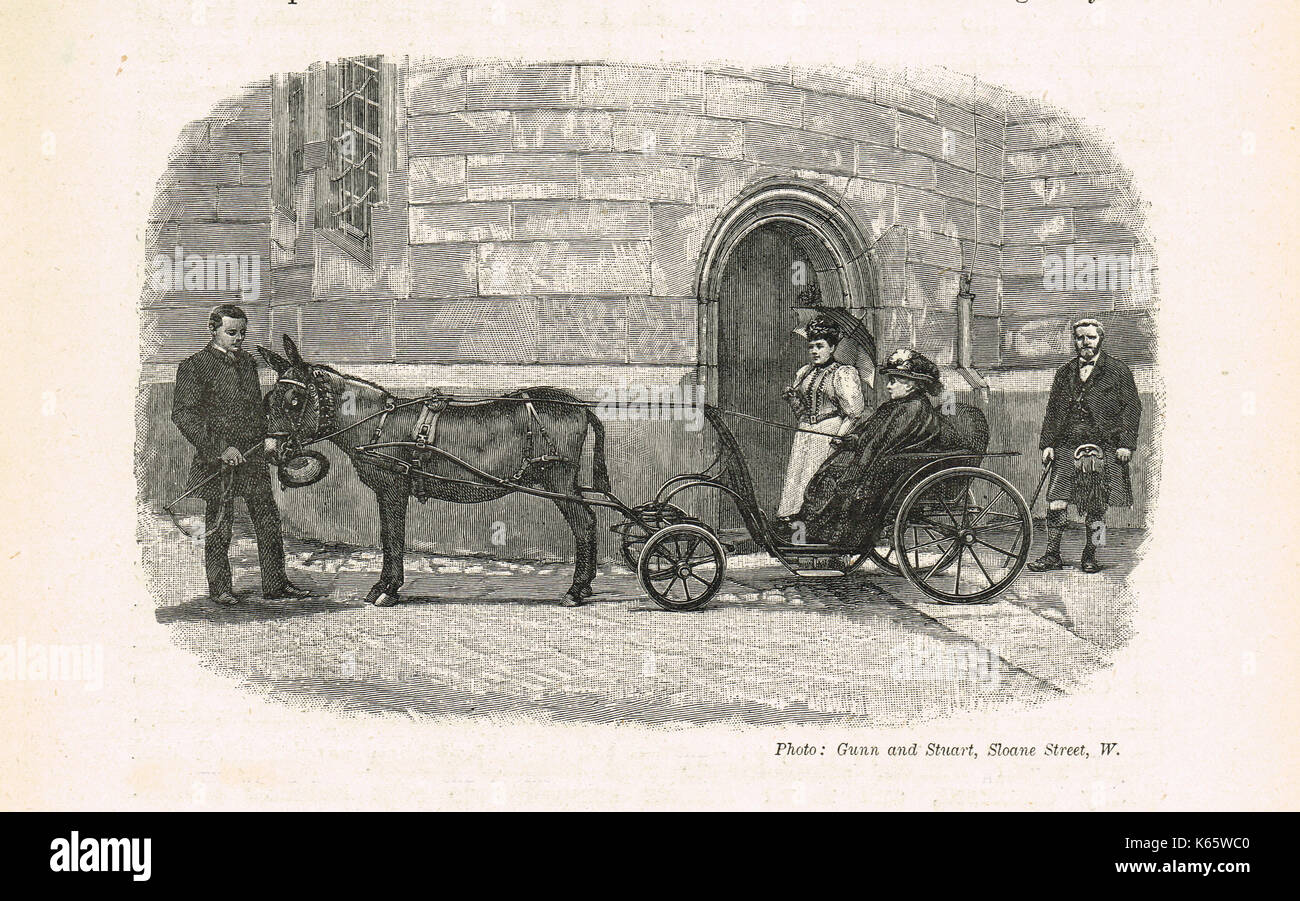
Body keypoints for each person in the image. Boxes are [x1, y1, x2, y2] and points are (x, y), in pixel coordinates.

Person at [171, 304, 311, 605]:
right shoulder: (194, 365)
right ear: (213, 330)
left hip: (253, 456)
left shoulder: (247, 362)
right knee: (220, 526)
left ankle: (276, 585)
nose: (238, 338)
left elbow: (255, 410)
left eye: (242, 333)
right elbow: (184, 415)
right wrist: (221, 448)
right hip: (218, 461)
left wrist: (270, 436)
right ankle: (220, 588)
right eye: (231, 332)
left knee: (268, 522)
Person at [795, 349, 947, 545]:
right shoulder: (894, 406)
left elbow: (884, 443)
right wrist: (854, 437)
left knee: (838, 482)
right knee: (828, 474)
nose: (889, 386)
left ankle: (832, 537)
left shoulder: (913, 408)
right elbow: (870, 429)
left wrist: (858, 448)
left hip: (886, 467)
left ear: (911, 385)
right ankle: (813, 532)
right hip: (873, 459)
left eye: (894, 381)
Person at [1028, 318, 1142, 573]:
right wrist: (1048, 443)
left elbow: (1132, 409)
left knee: (1097, 507)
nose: (1085, 342)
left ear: (1101, 339)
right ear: (1074, 340)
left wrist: (1126, 444)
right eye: (1080, 338)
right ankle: (1052, 555)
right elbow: (1053, 411)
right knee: (1056, 501)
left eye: (1090, 337)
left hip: (1104, 447)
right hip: (1067, 445)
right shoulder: (1065, 372)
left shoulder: (1118, 370)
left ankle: (1092, 556)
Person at [776, 316, 867, 519]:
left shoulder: (843, 373)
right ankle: (793, 520)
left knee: (815, 478)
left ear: (832, 347)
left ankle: (813, 523)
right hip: (806, 431)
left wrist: (839, 437)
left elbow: (854, 412)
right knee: (797, 477)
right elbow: (801, 412)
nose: (815, 351)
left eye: (820, 346)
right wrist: (793, 400)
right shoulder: (804, 372)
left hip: (828, 432)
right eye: (811, 347)